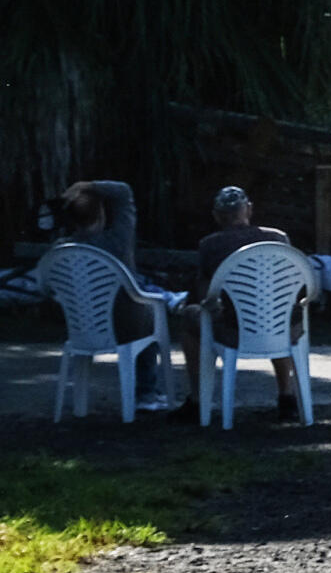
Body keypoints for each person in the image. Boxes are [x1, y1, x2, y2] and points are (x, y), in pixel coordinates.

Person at [178, 186, 309, 421]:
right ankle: (286, 395)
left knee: (190, 315)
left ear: (216, 216)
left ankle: (197, 400)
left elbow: (204, 296)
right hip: (284, 329)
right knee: (279, 312)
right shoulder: (278, 238)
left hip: (234, 330)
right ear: (248, 209)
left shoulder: (210, 245)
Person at [50, 179, 181, 409]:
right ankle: (146, 394)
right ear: (101, 213)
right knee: (151, 312)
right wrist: (87, 185)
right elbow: (123, 191)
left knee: (144, 302)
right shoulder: (117, 241)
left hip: (80, 328)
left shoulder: (62, 250)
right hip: (126, 326)